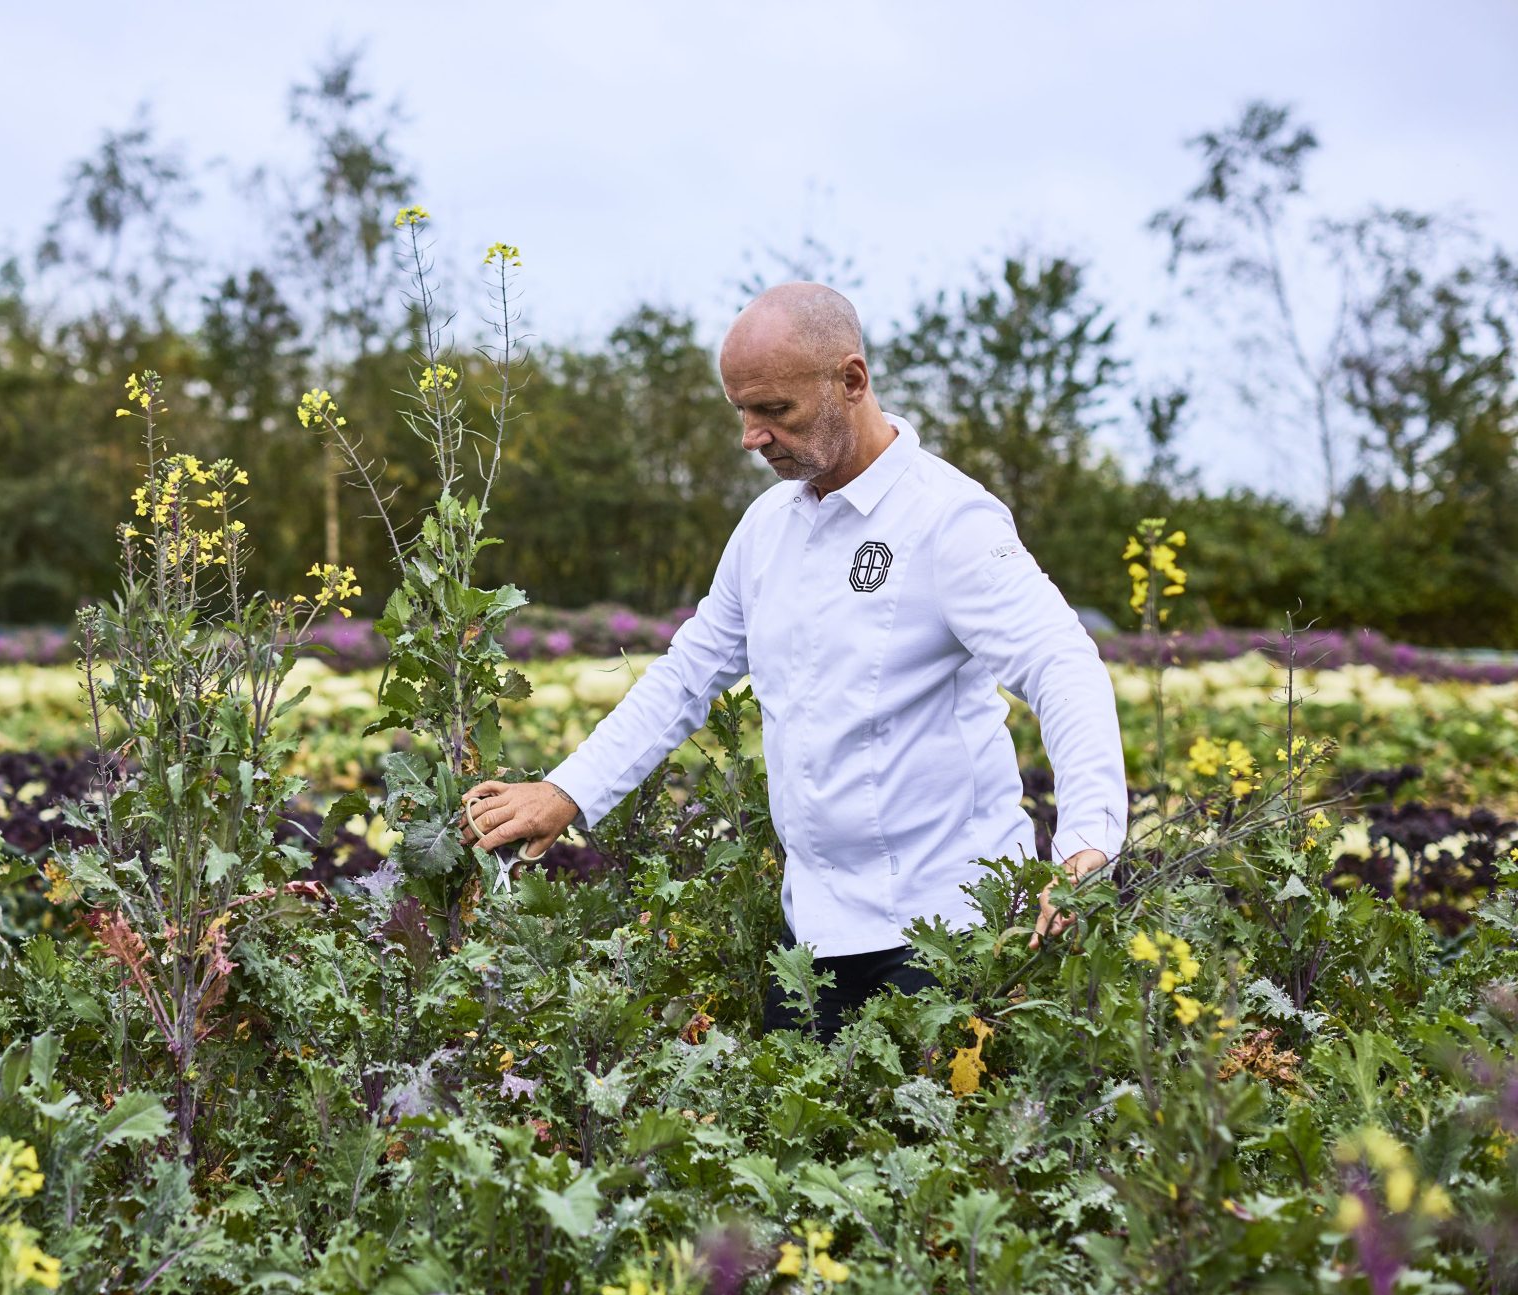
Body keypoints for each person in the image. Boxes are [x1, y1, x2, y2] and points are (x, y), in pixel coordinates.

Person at [458, 282, 1127, 1041]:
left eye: (774, 411)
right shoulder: (766, 526)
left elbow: (1061, 663)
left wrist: (1087, 845)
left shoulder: (950, 519)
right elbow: (686, 675)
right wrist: (565, 791)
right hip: (813, 937)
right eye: (741, 410)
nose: (751, 435)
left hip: (948, 930)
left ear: (851, 380)